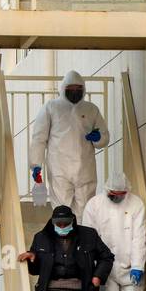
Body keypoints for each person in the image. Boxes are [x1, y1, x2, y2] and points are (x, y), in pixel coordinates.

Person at [81, 171, 146, 291]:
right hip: (104, 266)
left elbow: (139, 237)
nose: (116, 198)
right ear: (107, 190)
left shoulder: (136, 204)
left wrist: (137, 265)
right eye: (113, 195)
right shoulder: (95, 205)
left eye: (120, 195)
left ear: (126, 192)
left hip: (130, 265)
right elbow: (88, 236)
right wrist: (92, 266)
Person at [27, 70, 108, 213]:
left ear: (83, 89)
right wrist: (36, 165)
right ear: (63, 89)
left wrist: (98, 138)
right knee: (62, 209)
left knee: (86, 209)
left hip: (85, 167)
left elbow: (104, 136)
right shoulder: (52, 107)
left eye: (78, 89)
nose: (75, 92)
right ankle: (63, 235)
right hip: (60, 167)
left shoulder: (91, 109)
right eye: (71, 89)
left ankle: (83, 235)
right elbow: (39, 138)